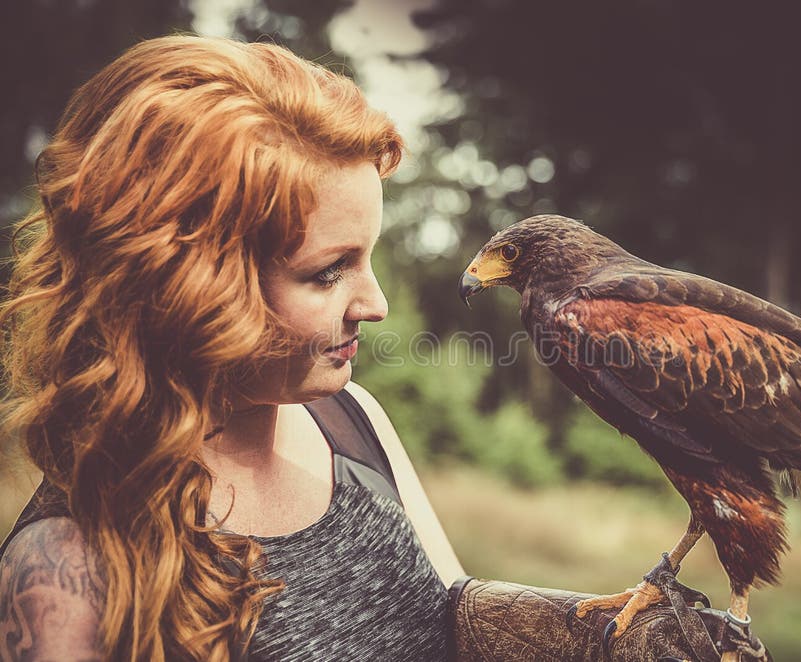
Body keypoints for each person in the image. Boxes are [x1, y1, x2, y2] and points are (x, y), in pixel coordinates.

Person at [0, 35, 463, 661]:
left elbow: (468, 626)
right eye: (328, 272)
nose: (375, 304)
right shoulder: (62, 575)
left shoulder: (353, 421)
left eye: (368, 259)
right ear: (189, 283)